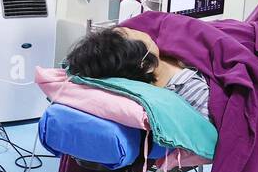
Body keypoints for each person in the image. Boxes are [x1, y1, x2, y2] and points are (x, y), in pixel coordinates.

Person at [65, 25, 210, 119]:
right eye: (131, 33)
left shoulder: (162, 54)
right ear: (146, 65)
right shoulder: (193, 94)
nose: (136, 28)